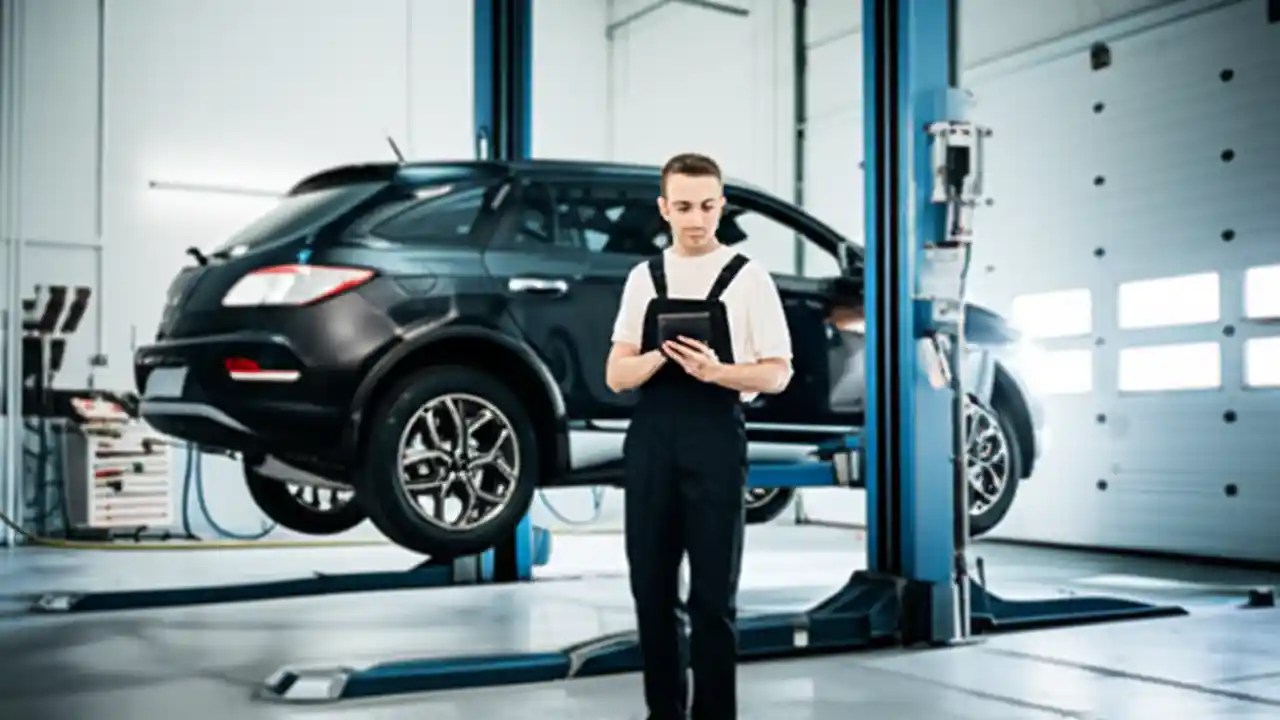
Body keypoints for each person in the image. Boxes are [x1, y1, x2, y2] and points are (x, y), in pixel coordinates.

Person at [605, 152, 794, 719]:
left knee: (713, 599)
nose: (696, 218)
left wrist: (717, 372)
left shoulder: (748, 278)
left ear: (721, 206)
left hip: (714, 437)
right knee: (652, 593)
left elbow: (777, 372)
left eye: (707, 206)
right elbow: (616, 374)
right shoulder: (645, 278)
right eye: (683, 206)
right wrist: (660, 355)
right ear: (664, 209)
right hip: (651, 441)